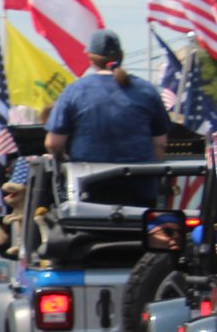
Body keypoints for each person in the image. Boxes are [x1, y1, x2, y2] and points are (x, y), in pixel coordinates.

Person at [44, 27, 170, 205]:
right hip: (140, 190)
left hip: (88, 190)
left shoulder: (75, 91)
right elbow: (160, 144)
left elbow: (53, 143)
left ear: (90, 57)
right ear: (121, 55)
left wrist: (63, 158)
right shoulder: (146, 90)